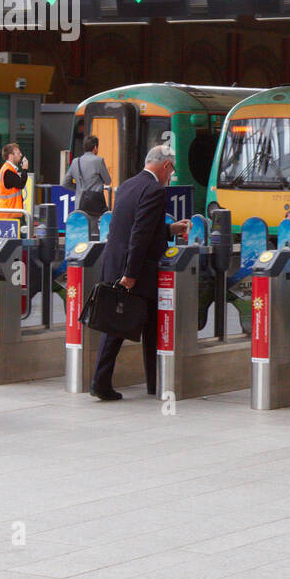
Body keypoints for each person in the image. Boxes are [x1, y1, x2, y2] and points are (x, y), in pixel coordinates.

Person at [91, 145, 190, 401]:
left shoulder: (127, 185)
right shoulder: (155, 190)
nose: (170, 177)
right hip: (137, 270)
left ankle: (144, 382)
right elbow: (140, 233)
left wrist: (170, 230)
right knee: (124, 327)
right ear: (166, 166)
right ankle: (111, 382)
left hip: (116, 262)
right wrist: (131, 273)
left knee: (123, 324)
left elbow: (128, 226)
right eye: (172, 170)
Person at [63, 135, 112, 218]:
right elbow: (108, 181)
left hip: (80, 204)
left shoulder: (75, 162)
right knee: (95, 227)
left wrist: (78, 188)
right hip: (95, 204)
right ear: (95, 147)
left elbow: (65, 183)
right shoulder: (98, 161)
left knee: (82, 228)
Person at [0, 143, 28, 222]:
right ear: (11, 156)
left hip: (9, 212)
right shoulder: (8, 170)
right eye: (18, 153)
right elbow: (21, 184)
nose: (21, 155)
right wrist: (25, 169)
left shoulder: (7, 169)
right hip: (10, 213)